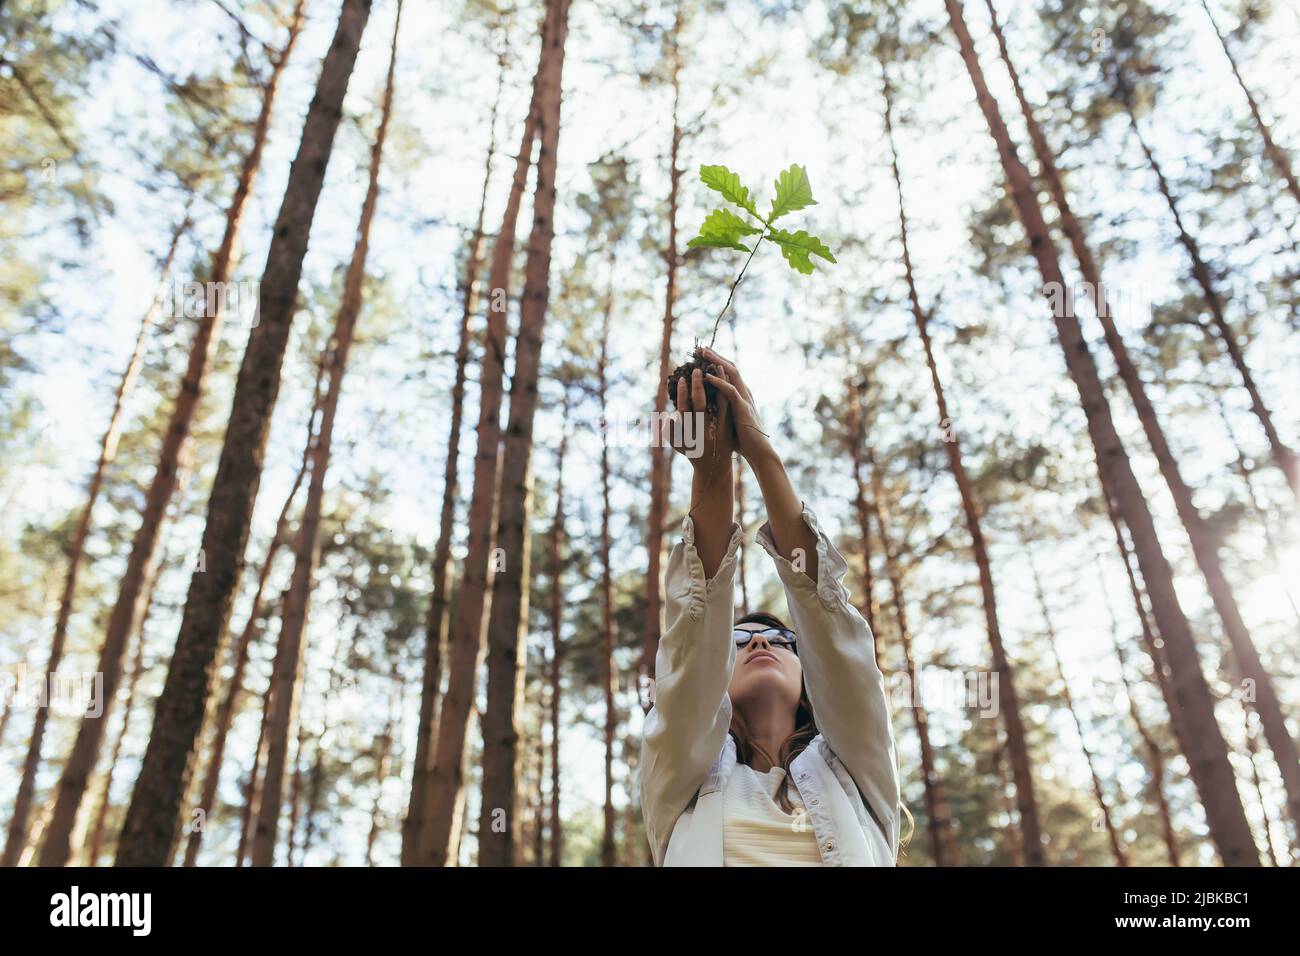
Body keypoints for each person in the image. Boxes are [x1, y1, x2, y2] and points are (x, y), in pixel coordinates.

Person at [640, 346, 902, 866]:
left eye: (782, 639)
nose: (759, 640)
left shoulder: (857, 772)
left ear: (809, 677)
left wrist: (760, 452)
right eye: (739, 640)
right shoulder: (680, 783)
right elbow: (693, 648)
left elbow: (832, 632)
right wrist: (711, 467)